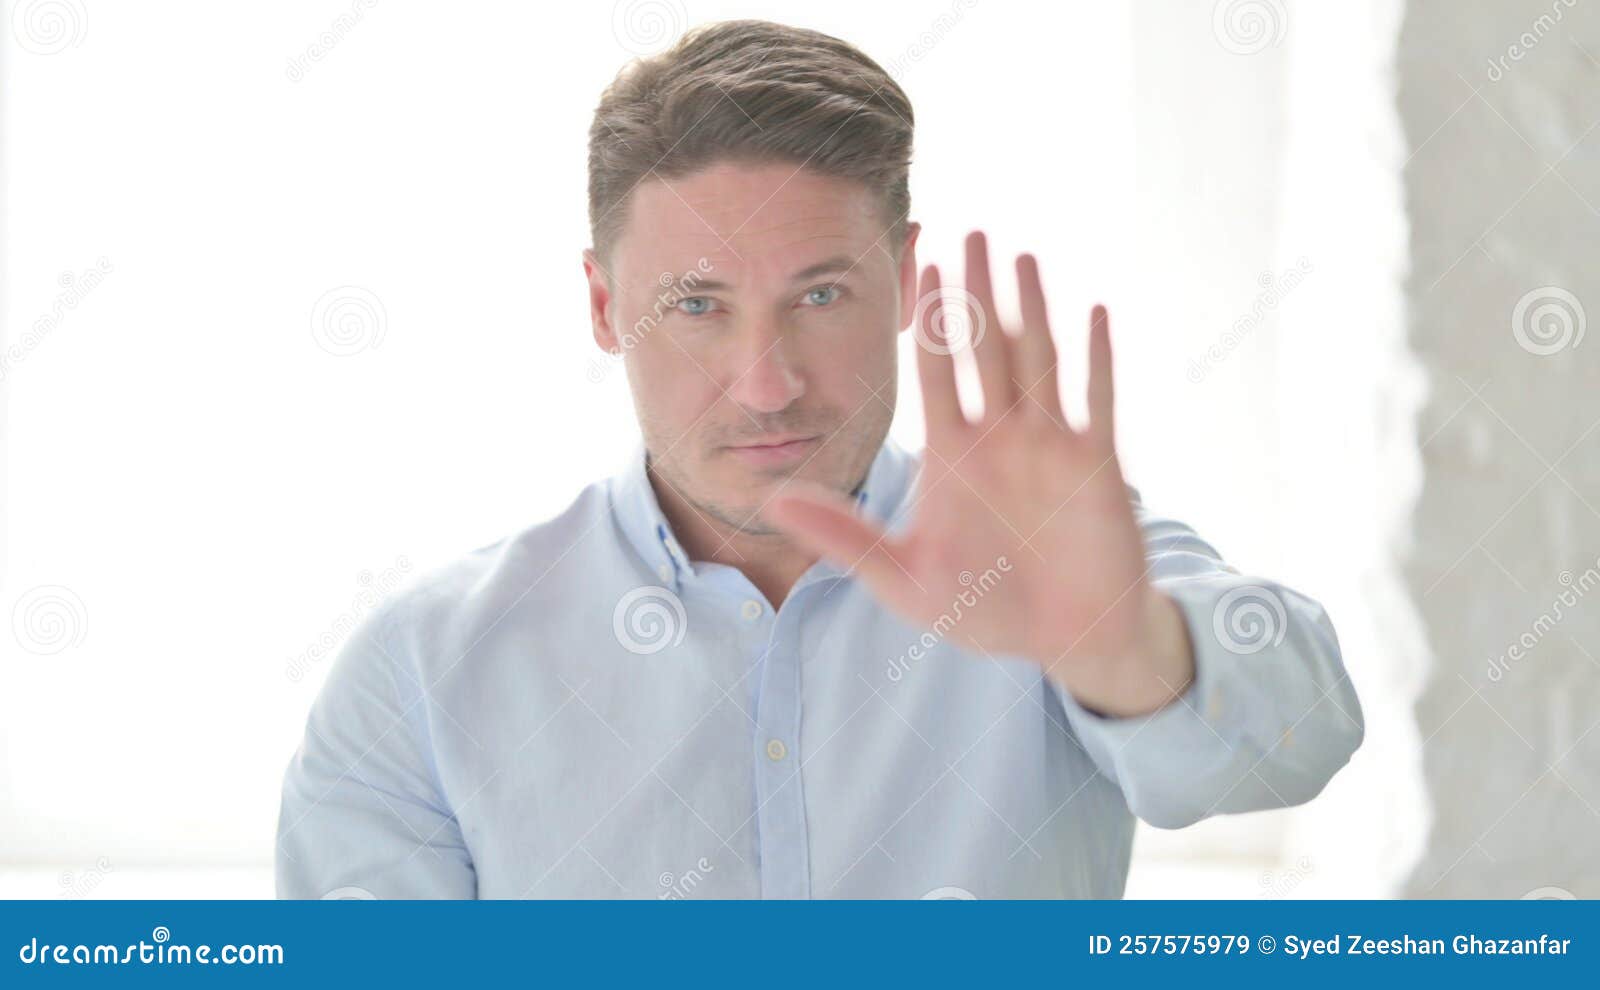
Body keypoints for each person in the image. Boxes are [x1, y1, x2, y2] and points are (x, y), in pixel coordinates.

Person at [276, 19, 1363, 899]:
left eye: (819, 295)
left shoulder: (1044, 552)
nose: (766, 383)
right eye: (696, 304)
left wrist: (1117, 648)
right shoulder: (422, 673)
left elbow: (1300, 730)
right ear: (605, 308)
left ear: (902, 279)